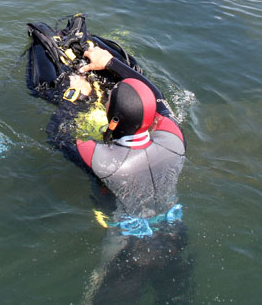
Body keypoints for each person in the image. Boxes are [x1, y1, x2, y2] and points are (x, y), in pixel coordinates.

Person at [26, 15, 193, 302]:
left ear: (112, 123)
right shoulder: (174, 139)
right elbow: (154, 93)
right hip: (175, 233)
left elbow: (56, 135)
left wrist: (72, 98)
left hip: (130, 247)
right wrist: (111, 64)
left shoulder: (102, 160)